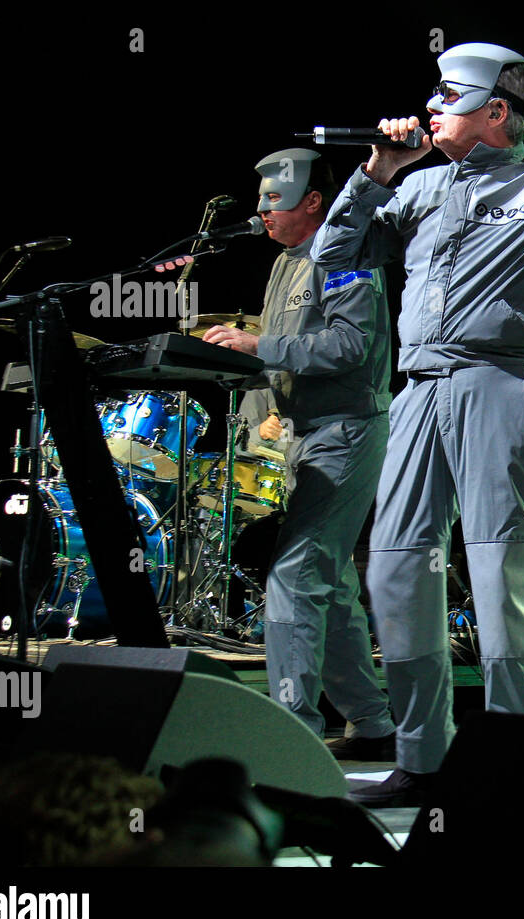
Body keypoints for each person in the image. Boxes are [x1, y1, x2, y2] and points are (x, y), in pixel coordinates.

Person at [311, 41, 524, 805]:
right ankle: (422, 760)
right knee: (397, 568)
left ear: (496, 112)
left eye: (447, 98)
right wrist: (376, 172)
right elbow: (332, 253)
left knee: (506, 575)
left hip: (499, 384)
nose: (430, 109)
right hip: (417, 393)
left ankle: (520, 768)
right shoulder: (419, 187)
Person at [203, 148, 397, 760]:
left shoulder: (347, 253)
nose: (262, 211)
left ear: (314, 201)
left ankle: (292, 740)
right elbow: (279, 351)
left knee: (294, 577)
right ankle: (373, 725)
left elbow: (349, 345)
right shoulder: (285, 262)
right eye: (259, 200)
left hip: (346, 431)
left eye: (275, 200)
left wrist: (258, 345)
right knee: (329, 586)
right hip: (307, 433)